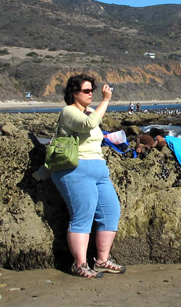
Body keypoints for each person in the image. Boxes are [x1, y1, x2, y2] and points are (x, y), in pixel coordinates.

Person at [51, 74, 126, 278]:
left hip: (99, 169)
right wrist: (106, 100)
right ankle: (80, 264)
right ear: (73, 93)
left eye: (92, 90)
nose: (91, 93)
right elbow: (87, 125)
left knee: (111, 212)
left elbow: (94, 129)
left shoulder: (91, 111)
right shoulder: (68, 112)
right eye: (86, 90)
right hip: (76, 169)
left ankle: (102, 260)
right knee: (82, 216)